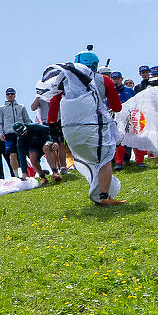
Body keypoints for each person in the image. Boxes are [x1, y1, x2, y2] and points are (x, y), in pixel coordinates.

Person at [38, 49, 124, 205]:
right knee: (105, 159)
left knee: (94, 161)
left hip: (70, 132)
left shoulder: (65, 81)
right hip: (94, 128)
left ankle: (99, 191)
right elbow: (117, 107)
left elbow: (53, 103)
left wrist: (53, 127)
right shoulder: (104, 79)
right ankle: (104, 197)